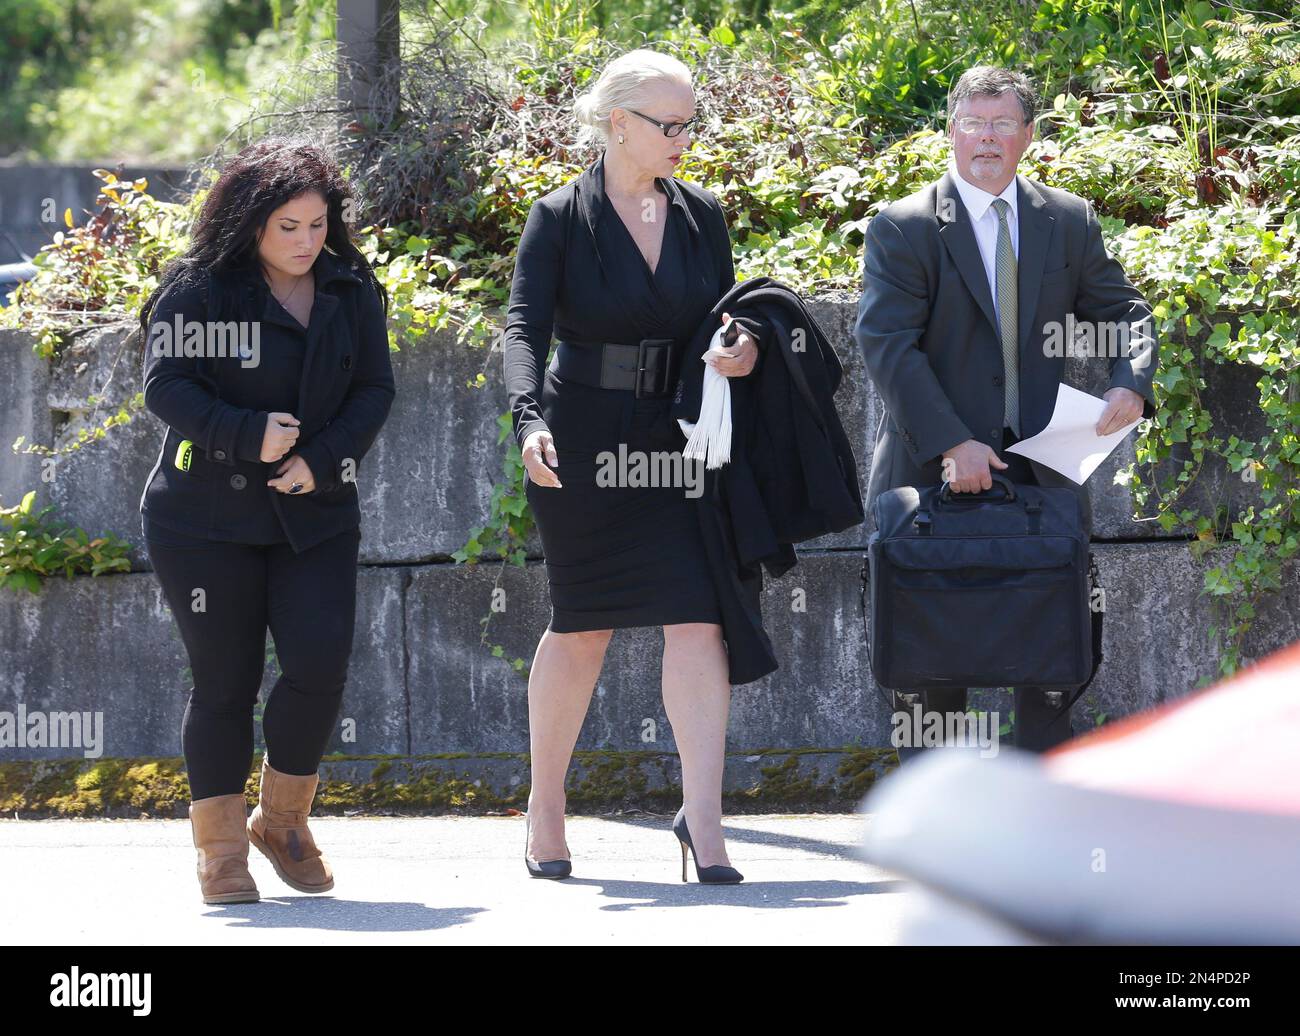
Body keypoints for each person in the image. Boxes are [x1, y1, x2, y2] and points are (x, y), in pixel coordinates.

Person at [502, 48, 760, 883]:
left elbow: (725, 321)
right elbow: (521, 333)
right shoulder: (558, 217)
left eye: (691, 122)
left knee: (698, 615)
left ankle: (706, 821)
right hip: (582, 436)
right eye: (670, 124)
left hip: (679, 436)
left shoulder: (701, 216)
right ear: (619, 124)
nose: (685, 138)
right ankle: (545, 807)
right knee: (583, 624)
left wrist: (742, 351)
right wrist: (527, 418)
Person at [854, 66, 1158, 759]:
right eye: (972, 123)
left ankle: (1039, 832)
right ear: (952, 131)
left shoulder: (1067, 220)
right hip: (932, 477)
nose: (985, 138)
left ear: (1027, 135)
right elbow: (888, 346)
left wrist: (1130, 380)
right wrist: (952, 441)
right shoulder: (905, 227)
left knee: (1054, 658)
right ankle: (944, 840)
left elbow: (1124, 311)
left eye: (1000, 124)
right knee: (935, 665)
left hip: (1041, 475)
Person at [138, 137, 396, 903]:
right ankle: (220, 851)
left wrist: (322, 457)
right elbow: (166, 387)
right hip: (201, 521)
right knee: (226, 681)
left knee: (319, 665)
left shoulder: (350, 287)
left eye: (317, 225)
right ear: (249, 222)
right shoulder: (198, 287)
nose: (305, 242)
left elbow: (375, 390)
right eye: (288, 227)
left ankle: (282, 821)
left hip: (315, 512)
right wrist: (246, 435)